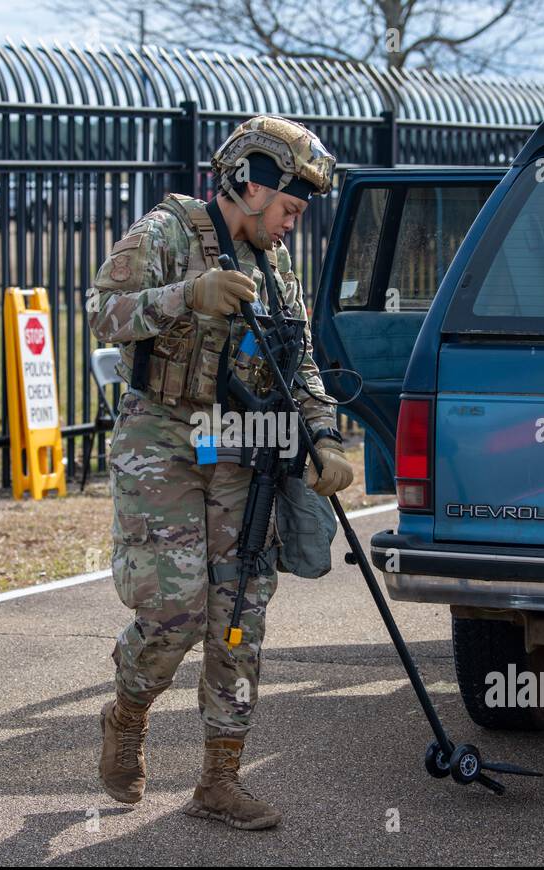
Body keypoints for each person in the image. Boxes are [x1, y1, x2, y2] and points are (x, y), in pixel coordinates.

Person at [89, 115, 355, 830]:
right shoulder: (167, 232)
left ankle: (218, 780)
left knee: (239, 613)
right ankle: (127, 713)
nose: (292, 227)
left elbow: (296, 359)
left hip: (244, 445)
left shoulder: (276, 267)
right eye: (290, 210)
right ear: (252, 184)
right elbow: (100, 313)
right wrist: (187, 296)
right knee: (175, 609)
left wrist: (326, 440)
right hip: (164, 436)